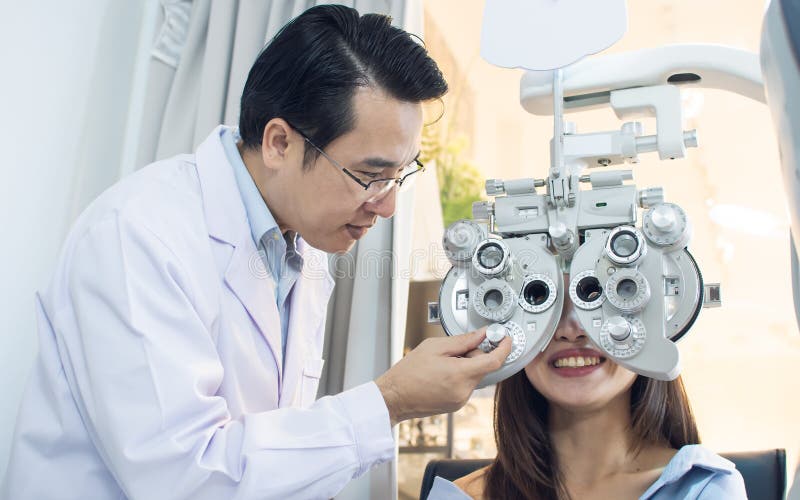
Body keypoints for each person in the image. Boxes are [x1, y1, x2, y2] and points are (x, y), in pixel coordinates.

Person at [0, 5, 511, 499]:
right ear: (279, 143)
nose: (389, 205)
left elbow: (270, 454)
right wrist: (389, 402)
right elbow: (185, 480)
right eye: (370, 176)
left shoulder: (300, 249)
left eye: (399, 175)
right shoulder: (136, 236)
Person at [428, 292, 747, 499]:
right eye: (541, 299)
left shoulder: (704, 487)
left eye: (598, 298)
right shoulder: (464, 496)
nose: (572, 328)